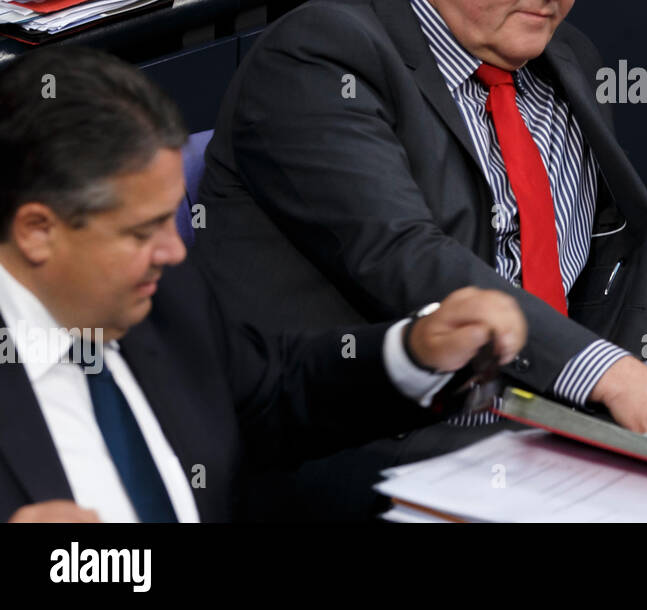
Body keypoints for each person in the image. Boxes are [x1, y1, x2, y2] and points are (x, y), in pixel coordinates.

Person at [189, 0, 647, 513]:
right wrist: (615, 379)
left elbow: (589, 270)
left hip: (545, 436)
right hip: (373, 461)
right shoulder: (317, 61)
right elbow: (407, 257)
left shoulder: (566, 60)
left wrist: (638, 373)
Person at [0, 46, 527, 523]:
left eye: (169, 218)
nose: (175, 249)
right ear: (37, 231)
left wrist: (414, 350)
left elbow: (272, 392)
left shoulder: (164, 295)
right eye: (142, 231)